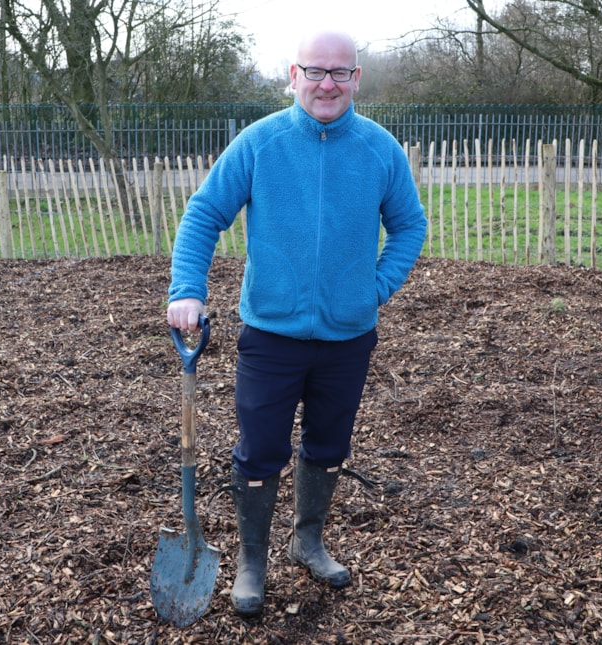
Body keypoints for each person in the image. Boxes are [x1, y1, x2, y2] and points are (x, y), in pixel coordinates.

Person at [166, 30, 427, 617]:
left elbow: (410, 225)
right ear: (294, 75)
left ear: (357, 78)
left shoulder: (380, 150)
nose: (327, 83)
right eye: (315, 71)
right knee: (260, 451)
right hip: (271, 336)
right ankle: (252, 561)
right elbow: (205, 213)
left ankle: (307, 540)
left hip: (348, 337)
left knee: (329, 443)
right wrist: (187, 290)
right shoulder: (260, 144)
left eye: (340, 72)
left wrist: (375, 287)